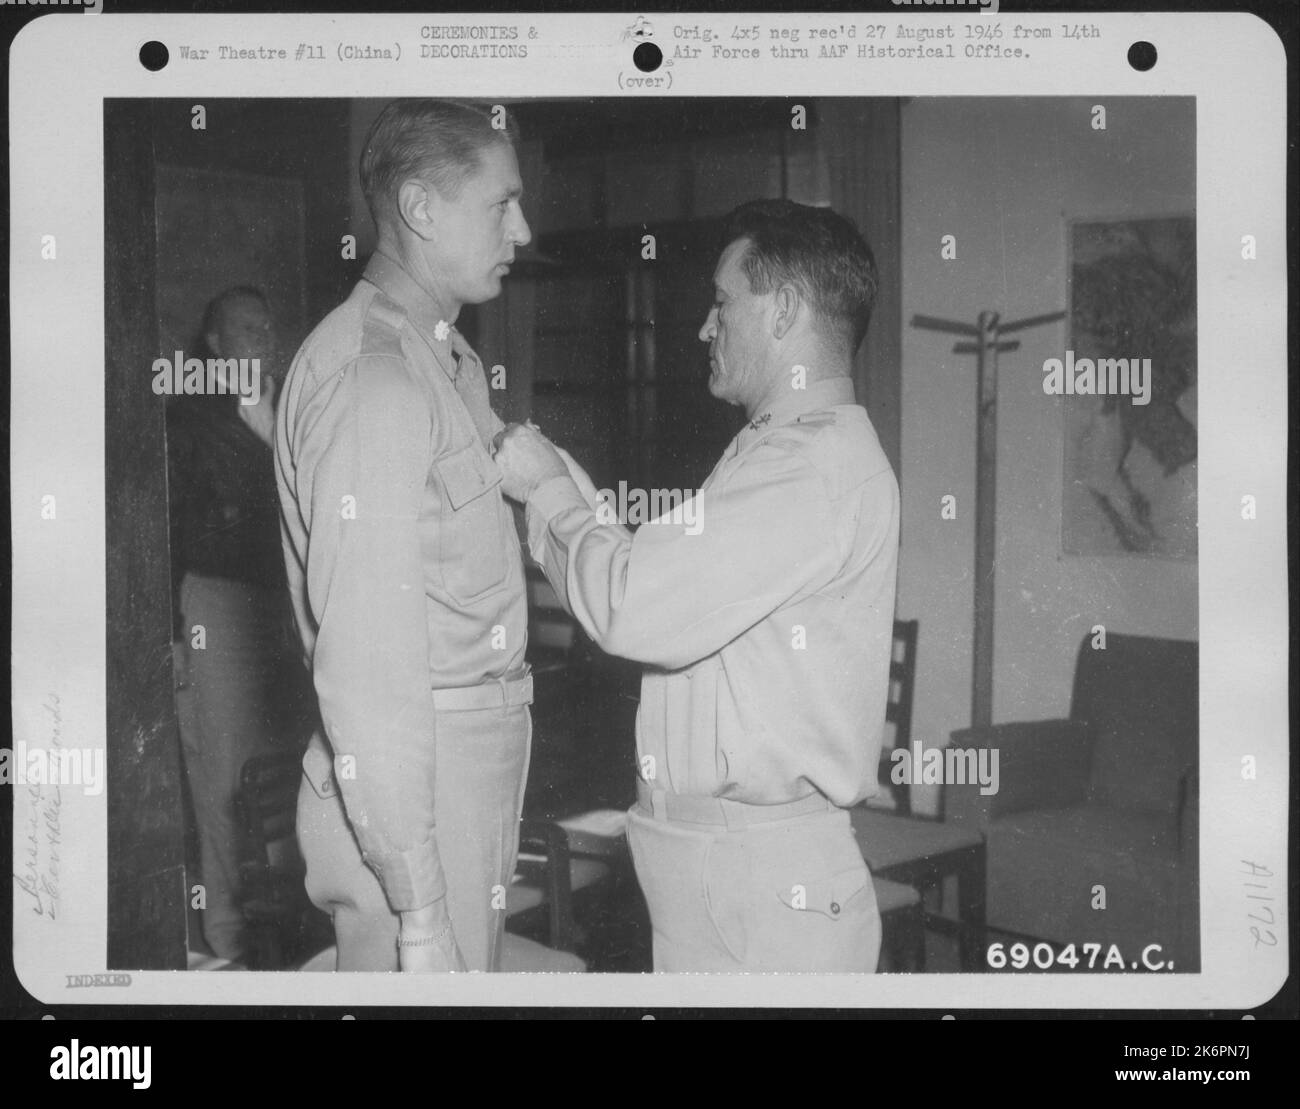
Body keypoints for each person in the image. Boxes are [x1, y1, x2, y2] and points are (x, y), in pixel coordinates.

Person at [495, 199, 900, 972]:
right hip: (725, 871)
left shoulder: (803, 469)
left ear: (783, 311)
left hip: (758, 885)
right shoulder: (779, 454)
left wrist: (548, 491)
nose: (704, 328)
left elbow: (631, 604)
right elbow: (666, 580)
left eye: (721, 303)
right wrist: (560, 485)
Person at [275, 99, 534, 972]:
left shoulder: (440, 360)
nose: (523, 229)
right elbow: (370, 669)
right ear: (421, 209)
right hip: (413, 792)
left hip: (454, 775)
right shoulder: (376, 380)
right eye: (501, 203)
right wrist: (419, 902)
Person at [168, 286, 315, 962]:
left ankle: (293, 924)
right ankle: (227, 937)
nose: (262, 335)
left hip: (289, 606)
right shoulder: (190, 419)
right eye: (244, 328)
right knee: (226, 775)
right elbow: (166, 530)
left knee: (292, 766)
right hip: (220, 608)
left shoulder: (299, 404)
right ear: (216, 344)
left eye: (267, 322)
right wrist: (174, 631)